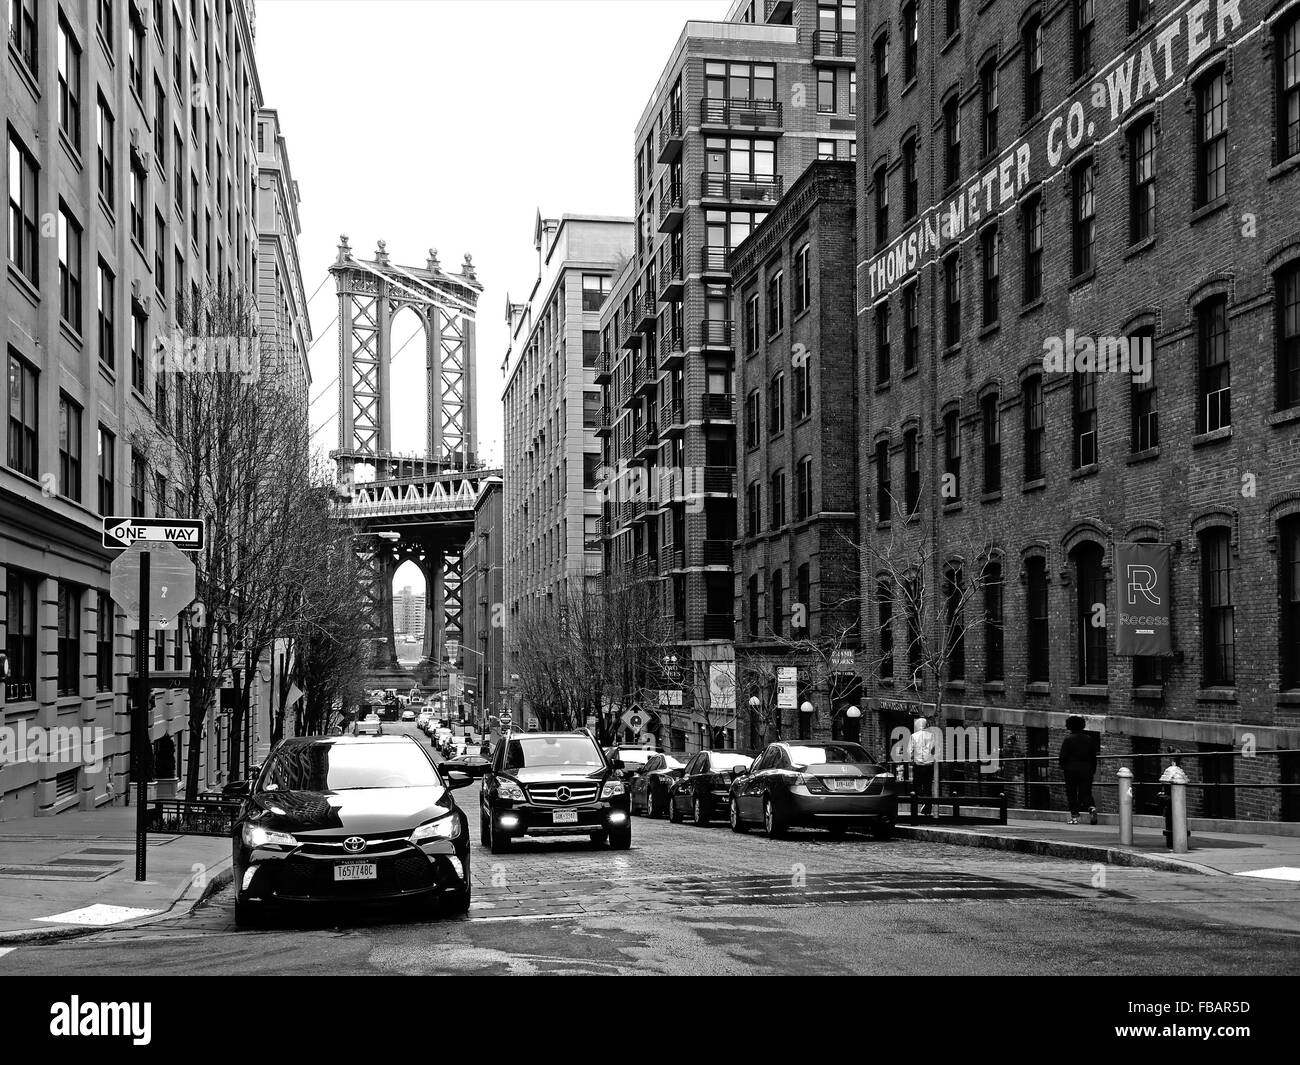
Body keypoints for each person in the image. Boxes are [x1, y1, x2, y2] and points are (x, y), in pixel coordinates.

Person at [1059, 715, 1099, 825]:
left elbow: (1062, 757)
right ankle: (1091, 808)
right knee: (1086, 792)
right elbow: (1093, 757)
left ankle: (1075, 817)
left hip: (1071, 770)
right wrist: (1092, 770)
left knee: (1071, 793)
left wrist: (1064, 767)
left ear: (1070, 726)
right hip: (1087, 770)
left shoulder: (1068, 740)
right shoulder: (1089, 739)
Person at [907, 717, 937, 816]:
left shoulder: (913, 736)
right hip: (929, 765)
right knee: (928, 786)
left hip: (918, 765)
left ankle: (919, 804)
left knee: (916, 785)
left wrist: (912, 760)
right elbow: (934, 750)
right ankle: (927, 807)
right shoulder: (931, 736)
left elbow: (909, 751)